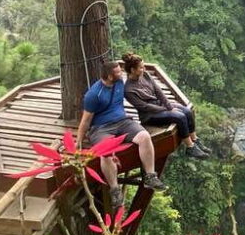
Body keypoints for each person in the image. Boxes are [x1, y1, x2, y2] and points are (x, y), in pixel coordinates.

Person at [75, 60, 166, 209]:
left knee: (144, 137)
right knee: (106, 153)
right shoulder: (93, 95)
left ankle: (150, 176)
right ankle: (115, 189)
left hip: (123, 121)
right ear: (110, 76)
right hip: (101, 128)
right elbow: (85, 121)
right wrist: (78, 143)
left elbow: (137, 86)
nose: (121, 74)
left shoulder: (119, 83)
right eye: (118, 72)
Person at [121, 52, 211, 160]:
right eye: (141, 67)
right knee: (180, 117)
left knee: (187, 112)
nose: (144, 69)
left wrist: (169, 107)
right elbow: (145, 107)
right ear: (132, 70)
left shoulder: (145, 75)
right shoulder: (129, 90)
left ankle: (195, 140)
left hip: (159, 105)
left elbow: (158, 91)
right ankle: (190, 147)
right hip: (149, 115)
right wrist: (166, 109)